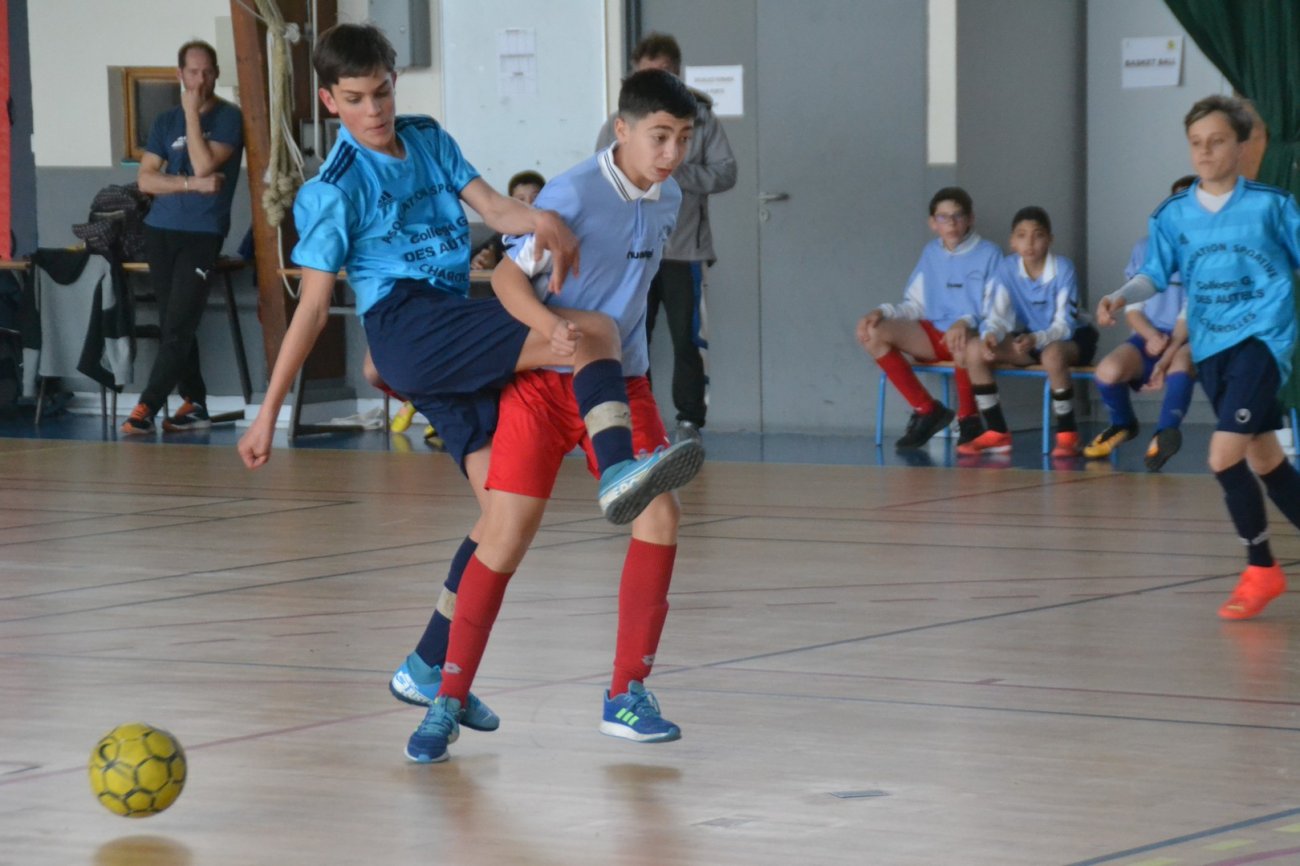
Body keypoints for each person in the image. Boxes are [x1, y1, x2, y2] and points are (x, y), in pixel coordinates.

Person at [237, 24, 704, 732]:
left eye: (382, 92)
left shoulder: (426, 138)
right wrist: (269, 412)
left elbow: (494, 209)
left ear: (396, 82)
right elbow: (311, 308)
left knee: (499, 522)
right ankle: (615, 471)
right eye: (356, 99)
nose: (375, 109)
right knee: (592, 332)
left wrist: (542, 218)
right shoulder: (332, 189)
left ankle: (427, 664)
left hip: (449, 333)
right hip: (411, 327)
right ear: (330, 101)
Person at [404, 68, 704, 764]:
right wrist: (549, 327)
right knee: (504, 534)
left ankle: (626, 694)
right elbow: (508, 278)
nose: (672, 153)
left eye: (684, 139)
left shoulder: (670, 197)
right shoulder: (572, 192)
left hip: (620, 381)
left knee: (661, 516)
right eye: (660, 136)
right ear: (622, 130)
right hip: (544, 382)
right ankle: (448, 698)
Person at [1097, 94, 1300, 620]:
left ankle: (1261, 569)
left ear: (1242, 146)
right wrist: (1121, 296)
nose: (1205, 152)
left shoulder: (1273, 206)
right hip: (1210, 349)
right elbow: (1154, 274)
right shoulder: (1173, 215)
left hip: (1262, 342)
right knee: (1265, 459)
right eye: (1196, 143)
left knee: (1222, 457)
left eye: (1217, 141)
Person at [595, 33, 736, 445]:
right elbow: (600, 176)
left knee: (687, 340)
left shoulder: (701, 118)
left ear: (678, 75)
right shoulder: (619, 122)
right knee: (631, 338)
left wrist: (673, 167)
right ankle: (641, 424)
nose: (657, 83)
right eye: (648, 75)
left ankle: (690, 422)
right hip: (631, 251)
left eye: (665, 74)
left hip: (683, 250)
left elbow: (726, 172)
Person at [122, 40, 243, 435]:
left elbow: (206, 163)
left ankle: (146, 406)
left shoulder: (228, 118)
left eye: (207, 72)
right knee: (173, 321)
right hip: (160, 230)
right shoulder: (164, 121)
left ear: (216, 74)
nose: (200, 80)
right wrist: (190, 184)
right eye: (193, 72)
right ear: (180, 74)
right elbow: (146, 180)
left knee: (178, 324)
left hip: (202, 233)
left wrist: (192, 115)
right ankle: (195, 403)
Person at [857, 187, 1002, 449]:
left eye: (958, 215)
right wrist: (882, 312)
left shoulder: (989, 253)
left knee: (963, 341)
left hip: (971, 338)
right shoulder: (931, 253)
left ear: (970, 219)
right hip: (933, 335)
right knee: (873, 332)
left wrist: (965, 321)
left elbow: (996, 308)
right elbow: (915, 305)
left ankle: (969, 420)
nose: (951, 223)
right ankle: (927, 411)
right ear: (933, 223)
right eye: (943, 217)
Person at [959, 207, 1098, 457]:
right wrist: (991, 335)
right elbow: (997, 316)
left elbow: (1064, 325)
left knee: (1052, 355)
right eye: (1022, 235)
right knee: (974, 349)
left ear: (1050, 239)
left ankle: (1067, 434)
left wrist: (1037, 338)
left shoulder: (1063, 268)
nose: (1030, 243)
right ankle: (997, 432)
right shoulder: (1006, 268)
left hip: (1071, 338)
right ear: (1012, 242)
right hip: (1031, 338)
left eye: (1038, 235)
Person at [1084, 176, 1198, 470]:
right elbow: (1134, 308)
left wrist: (1168, 351)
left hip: (1190, 338)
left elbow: (1188, 314)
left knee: (1181, 363)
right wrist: (1148, 335)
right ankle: (1123, 423)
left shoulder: (1203, 252)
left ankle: (1164, 435)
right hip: (1151, 335)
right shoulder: (1145, 247)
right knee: (1108, 371)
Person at [469, 171, 546, 270]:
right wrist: (478, 261)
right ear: (510, 204)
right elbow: (472, 258)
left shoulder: (554, 230)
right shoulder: (504, 234)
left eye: (536, 197)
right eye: (521, 199)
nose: (529, 204)